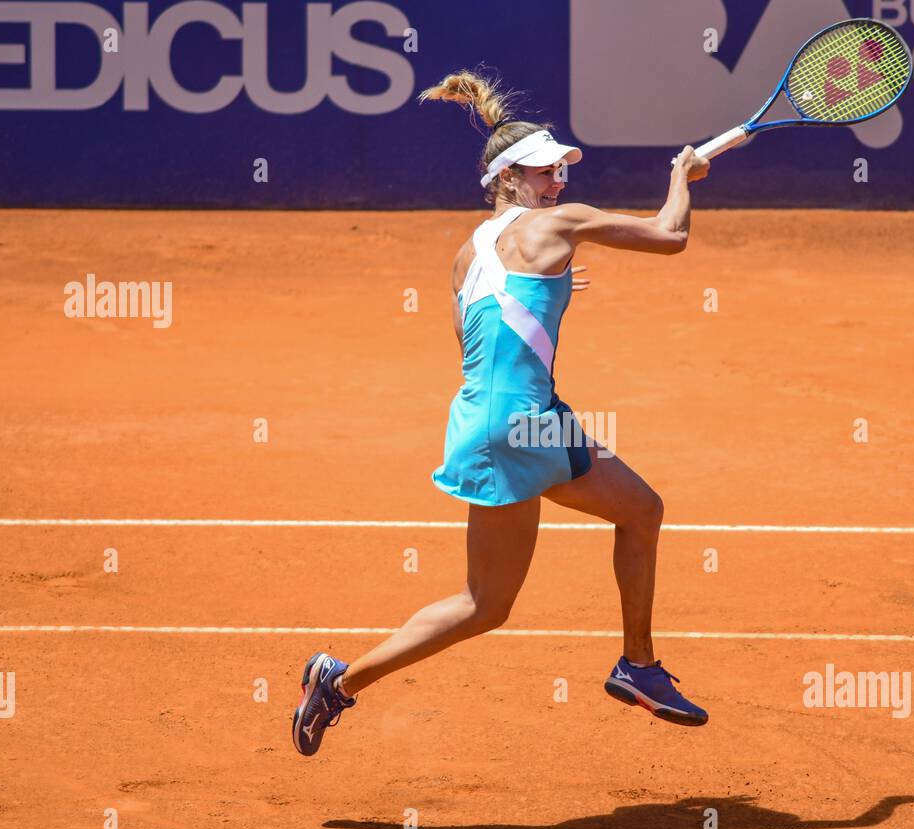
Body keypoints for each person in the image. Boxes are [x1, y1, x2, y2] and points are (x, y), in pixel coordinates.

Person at [293, 70, 711, 757]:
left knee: (501, 595)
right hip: (526, 426)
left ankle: (336, 682)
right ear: (509, 178)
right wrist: (682, 176)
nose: (559, 184)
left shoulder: (466, 256)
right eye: (546, 172)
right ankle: (636, 665)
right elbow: (670, 237)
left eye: (561, 172)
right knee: (612, 529)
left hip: (496, 423)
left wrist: (548, 286)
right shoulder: (558, 225)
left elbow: (475, 344)